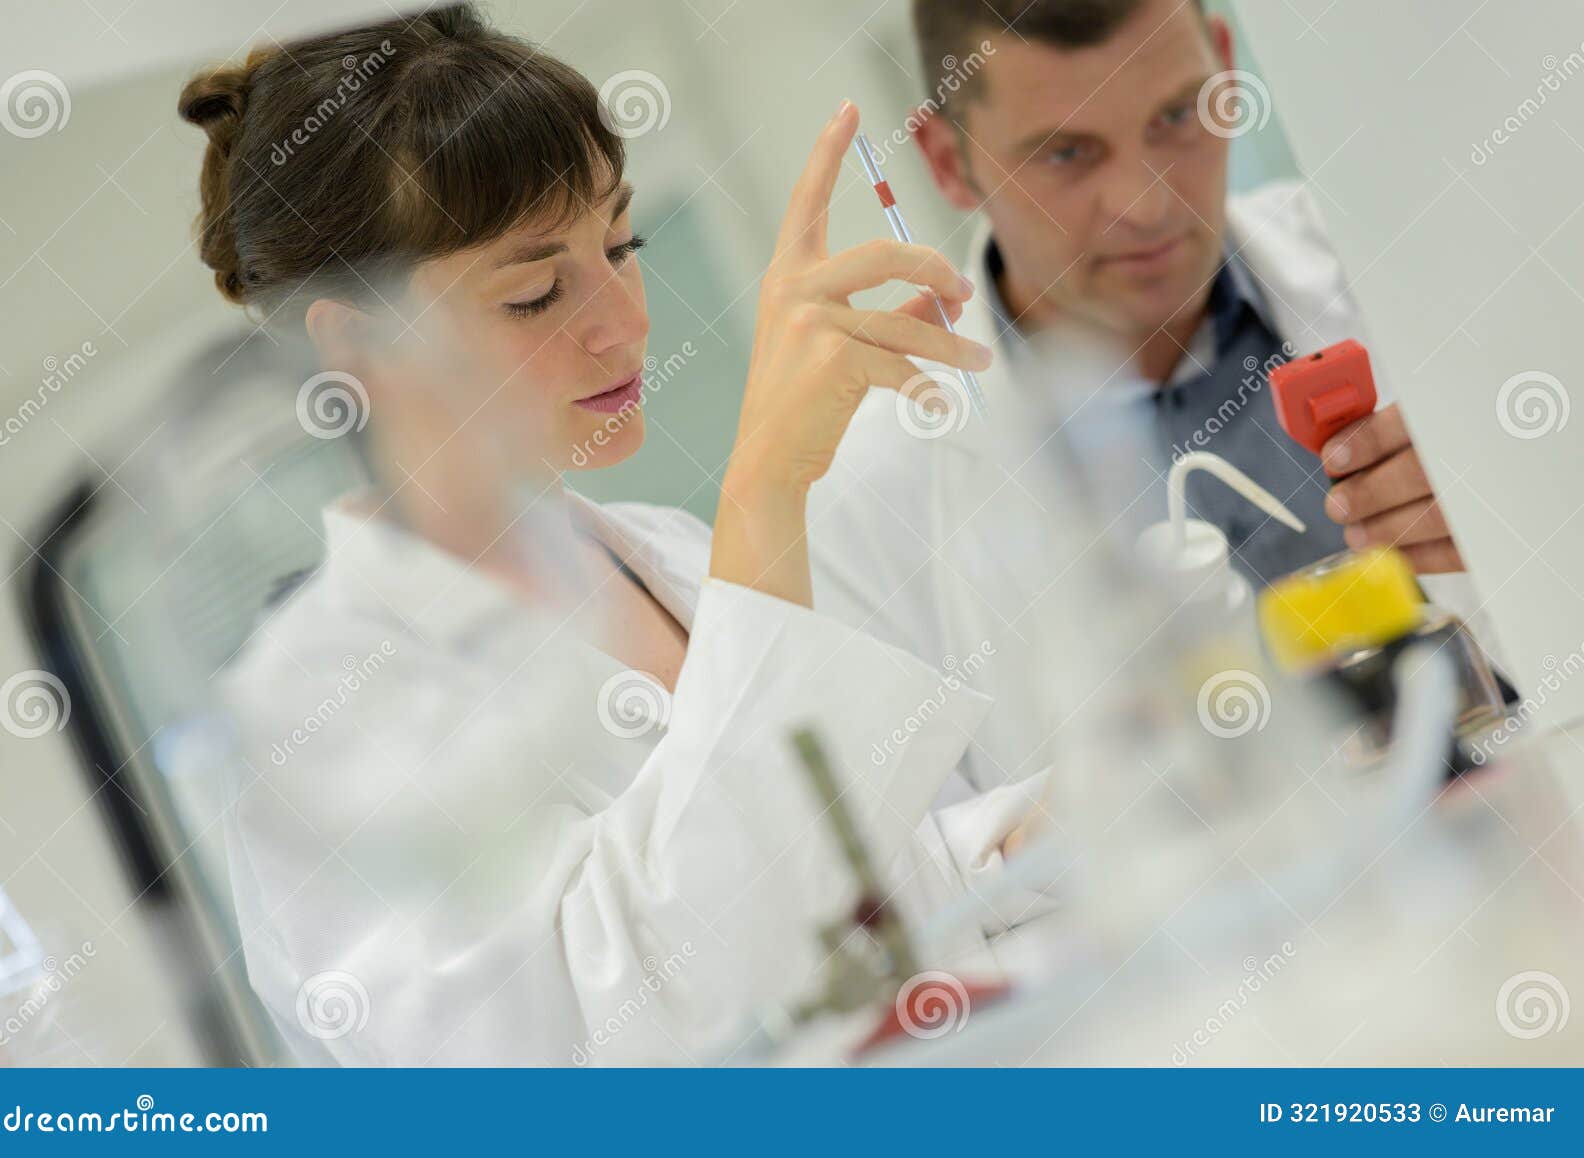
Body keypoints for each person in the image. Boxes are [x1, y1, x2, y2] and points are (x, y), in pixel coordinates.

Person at [181, 5, 1048, 1065]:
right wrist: (765, 491)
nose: (625, 320)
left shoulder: (659, 554)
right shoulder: (319, 721)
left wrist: (1041, 835)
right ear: (360, 344)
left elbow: (869, 884)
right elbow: (605, 1036)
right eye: (537, 293)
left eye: (619, 243)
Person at [807, 0, 1479, 793]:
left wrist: (1523, 529)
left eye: (1176, 115)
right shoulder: (870, 497)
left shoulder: (1421, 264)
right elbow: (917, 873)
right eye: (1066, 155)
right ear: (949, 160)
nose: (1147, 203)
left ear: (1226, 68)